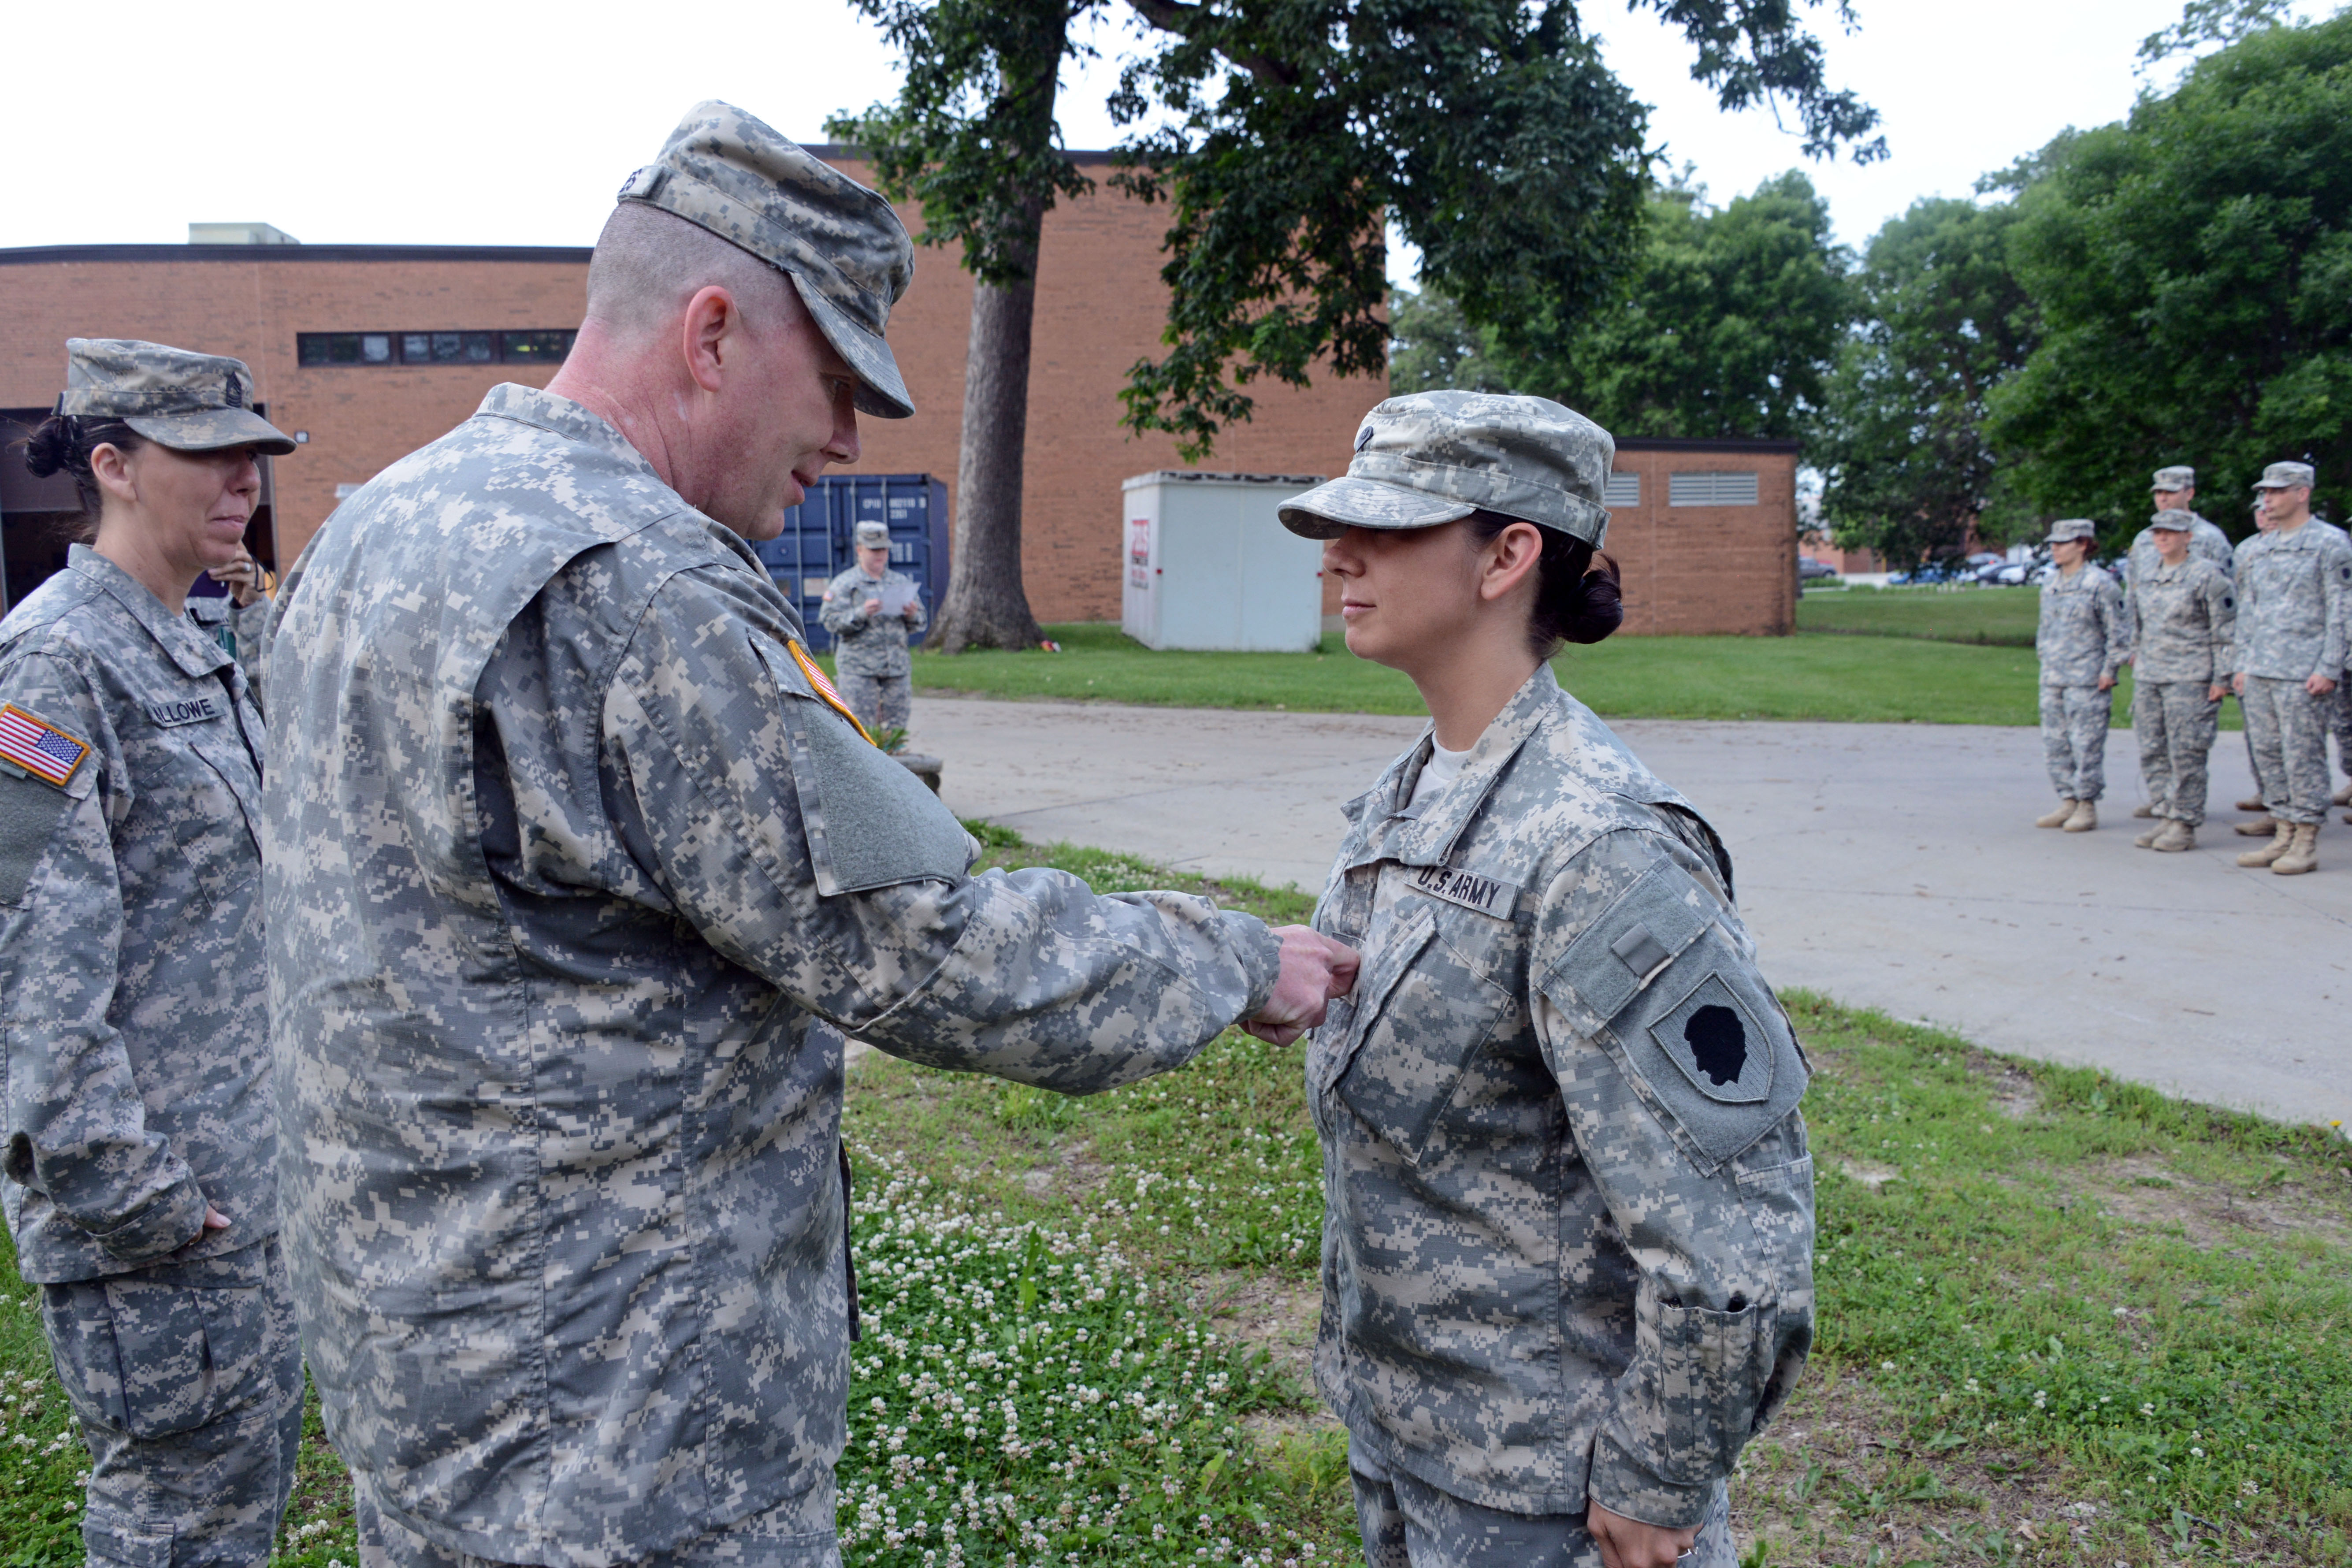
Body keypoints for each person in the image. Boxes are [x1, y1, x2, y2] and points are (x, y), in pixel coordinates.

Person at [260, 102, 1356, 1568]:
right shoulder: (643, 589)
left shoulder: (379, 527)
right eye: (835, 379)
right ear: (711, 332)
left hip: (425, 1372)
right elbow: (924, 944)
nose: (843, 441)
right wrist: (1228, 958)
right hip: (626, 1433)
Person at [1280, 392, 1813, 1568]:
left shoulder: (1602, 845)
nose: (1342, 553)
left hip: (1551, 1487)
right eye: (1339, 524)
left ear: (1508, 555)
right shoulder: (1417, 795)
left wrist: (1659, 1473)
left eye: (1391, 526)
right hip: (1416, 1431)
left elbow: (1733, 1211)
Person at [0, 341, 304, 1568]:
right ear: (115, 466)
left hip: (234, 1187)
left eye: (254, 455)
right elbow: (22, 964)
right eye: (212, 455)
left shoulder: (189, 641)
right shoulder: (54, 664)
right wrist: (147, 1205)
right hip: (162, 1217)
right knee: (177, 1529)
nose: (245, 478)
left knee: (233, 1508)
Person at [2229, 461, 2352, 874]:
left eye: (2278, 491)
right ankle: (2281, 831)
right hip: (2261, 668)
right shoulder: (2257, 548)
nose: (2267, 498)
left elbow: (2342, 612)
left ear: (2302, 493)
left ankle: (2305, 839)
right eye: (2265, 491)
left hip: (2304, 672)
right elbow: (2247, 612)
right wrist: (2241, 663)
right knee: (2269, 755)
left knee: (2303, 757)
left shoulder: (2330, 544)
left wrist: (2330, 667)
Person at [2121, 467, 2233, 818]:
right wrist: (2134, 645)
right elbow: (2134, 595)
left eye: (2171, 491)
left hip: (2191, 664)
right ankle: (2162, 802)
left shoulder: (2210, 541)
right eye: (2158, 493)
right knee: (2151, 741)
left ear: (2190, 493)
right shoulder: (2143, 541)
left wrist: (2223, 673)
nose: (2163, 497)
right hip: (2153, 660)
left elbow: (2226, 608)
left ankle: (2181, 813)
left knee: (2186, 746)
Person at [2033, 520, 2128, 832]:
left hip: (2087, 678)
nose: (2055, 548)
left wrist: (2109, 671)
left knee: (2085, 745)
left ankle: (2086, 805)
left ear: (2083, 544)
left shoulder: (2100, 584)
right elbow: (2044, 629)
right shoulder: (2050, 583)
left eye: (2063, 542)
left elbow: (2118, 633)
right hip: (2054, 677)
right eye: (2053, 543)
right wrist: (2044, 658)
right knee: (2055, 743)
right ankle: (2067, 801)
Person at [817, 517, 924, 735]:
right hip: (859, 670)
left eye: (884, 549)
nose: (880, 555)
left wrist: (912, 614)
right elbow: (829, 620)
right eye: (874, 550)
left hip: (896, 667)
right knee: (860, 732)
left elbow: (921, 621)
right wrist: (861, 613)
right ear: (860, 550)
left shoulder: (900, 582)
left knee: (897, 734)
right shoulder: (845, 584)